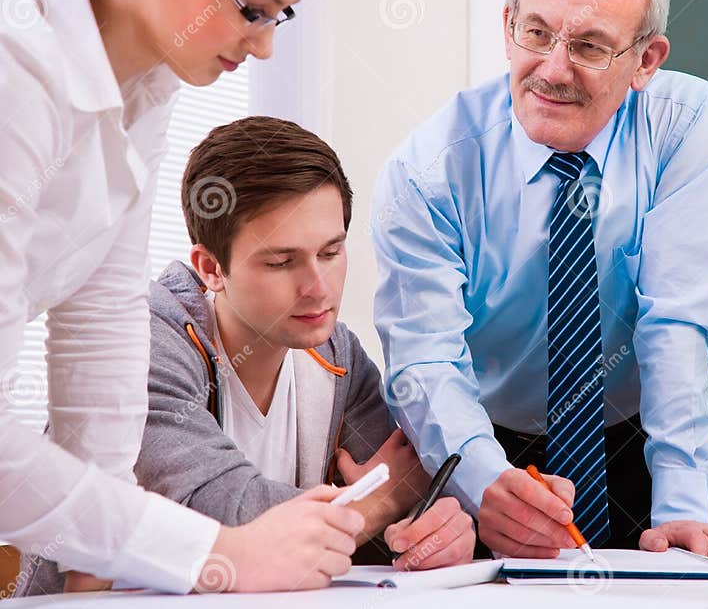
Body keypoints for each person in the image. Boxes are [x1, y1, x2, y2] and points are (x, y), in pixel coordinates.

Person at [0, 0, 358, 594]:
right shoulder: (15, 76)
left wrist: (94, 573)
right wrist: (218, 553)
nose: (265, 47)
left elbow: (99, 321)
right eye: (252, 10)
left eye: (281, 17)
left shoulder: (146, 85)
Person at [371, 0, 708, 566]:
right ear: (507, 25)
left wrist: (682, 506)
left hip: (637, 437)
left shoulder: (686, 124)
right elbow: (426, 358)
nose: (553, 70)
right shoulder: (427, 170)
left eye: (590, 47)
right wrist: (484, 481)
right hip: (481, 441)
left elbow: (676, 323)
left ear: (646, 60)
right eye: (536, 33)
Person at [15, 116, 477, 596]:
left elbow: (411, 491)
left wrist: (435, 532)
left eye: (331, 252)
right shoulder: (142, 341)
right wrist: (379, 504)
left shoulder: (339, 356)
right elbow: (229, 515)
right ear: (211, 268)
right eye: (281, 262)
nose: (318, 288)